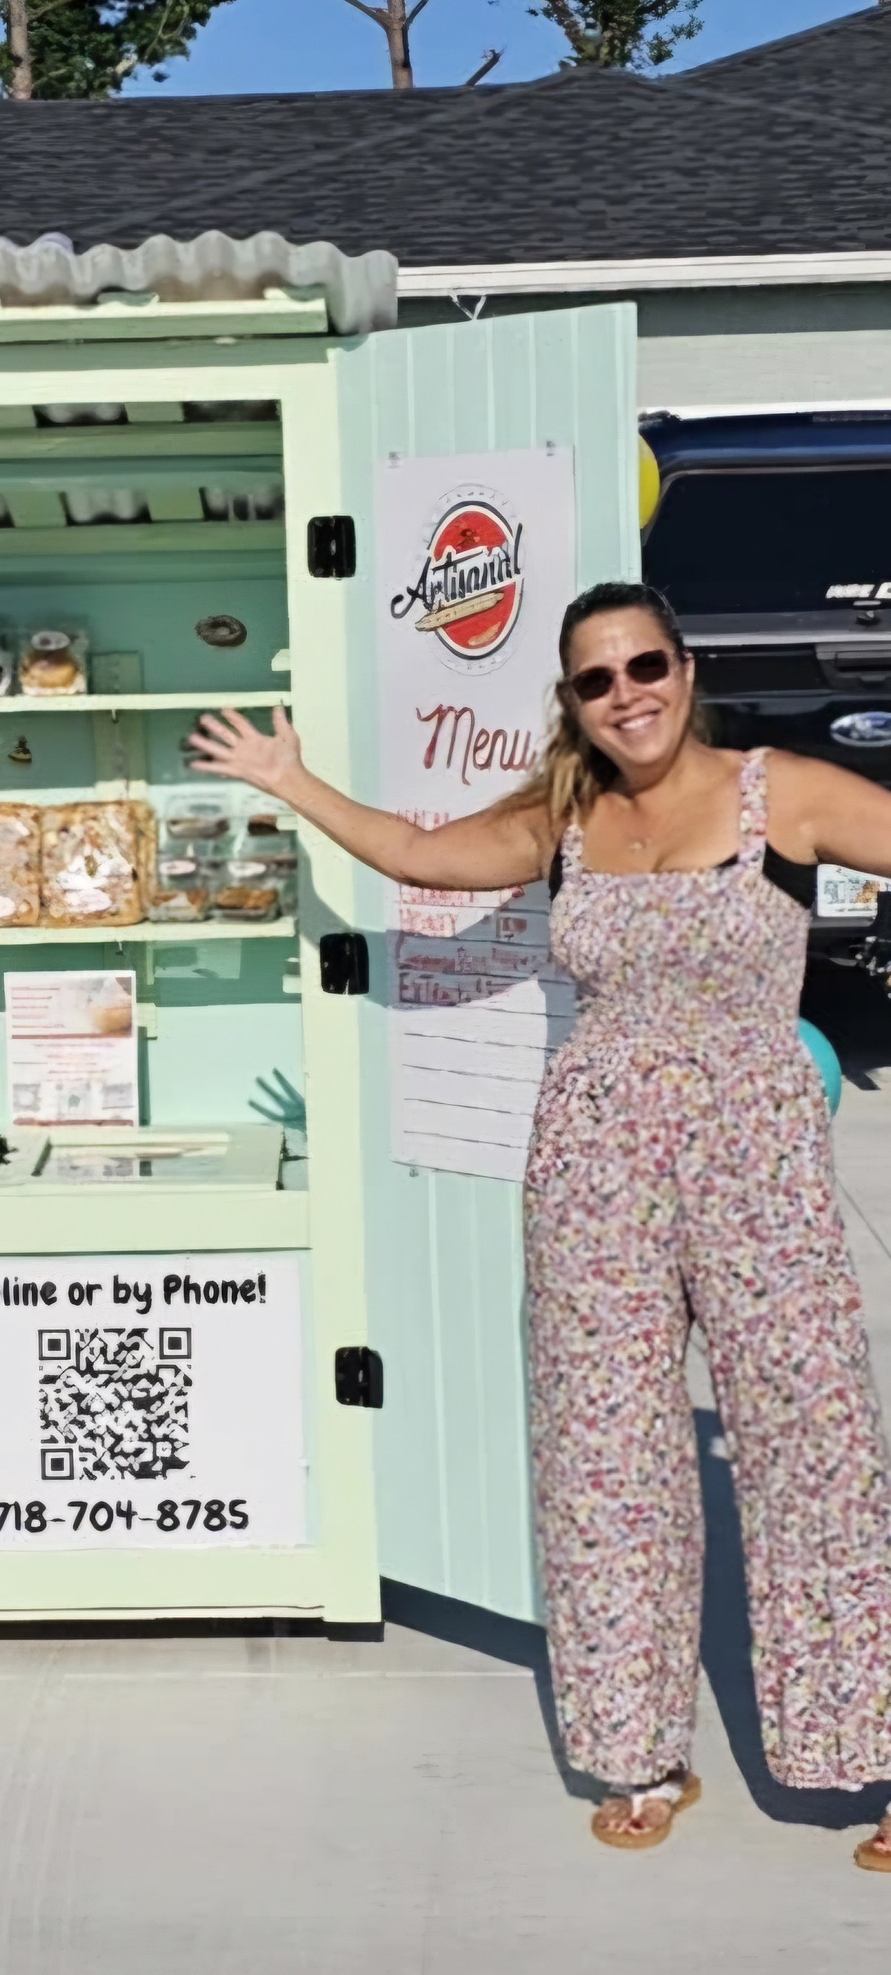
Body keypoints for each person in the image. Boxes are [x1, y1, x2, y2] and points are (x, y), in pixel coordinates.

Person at [189, 581, 891, 1865]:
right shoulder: (567, 814)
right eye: (594, 679)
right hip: (592, 1154)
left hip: (756, 1148)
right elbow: (419, 852)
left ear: (683, 668)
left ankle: (870, 1753)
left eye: (643, 665)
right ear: (570, 701)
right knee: (603, 1459)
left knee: (814, 1442)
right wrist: (293, 780)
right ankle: (636, 1750)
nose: (626, 694)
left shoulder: (776, 789)